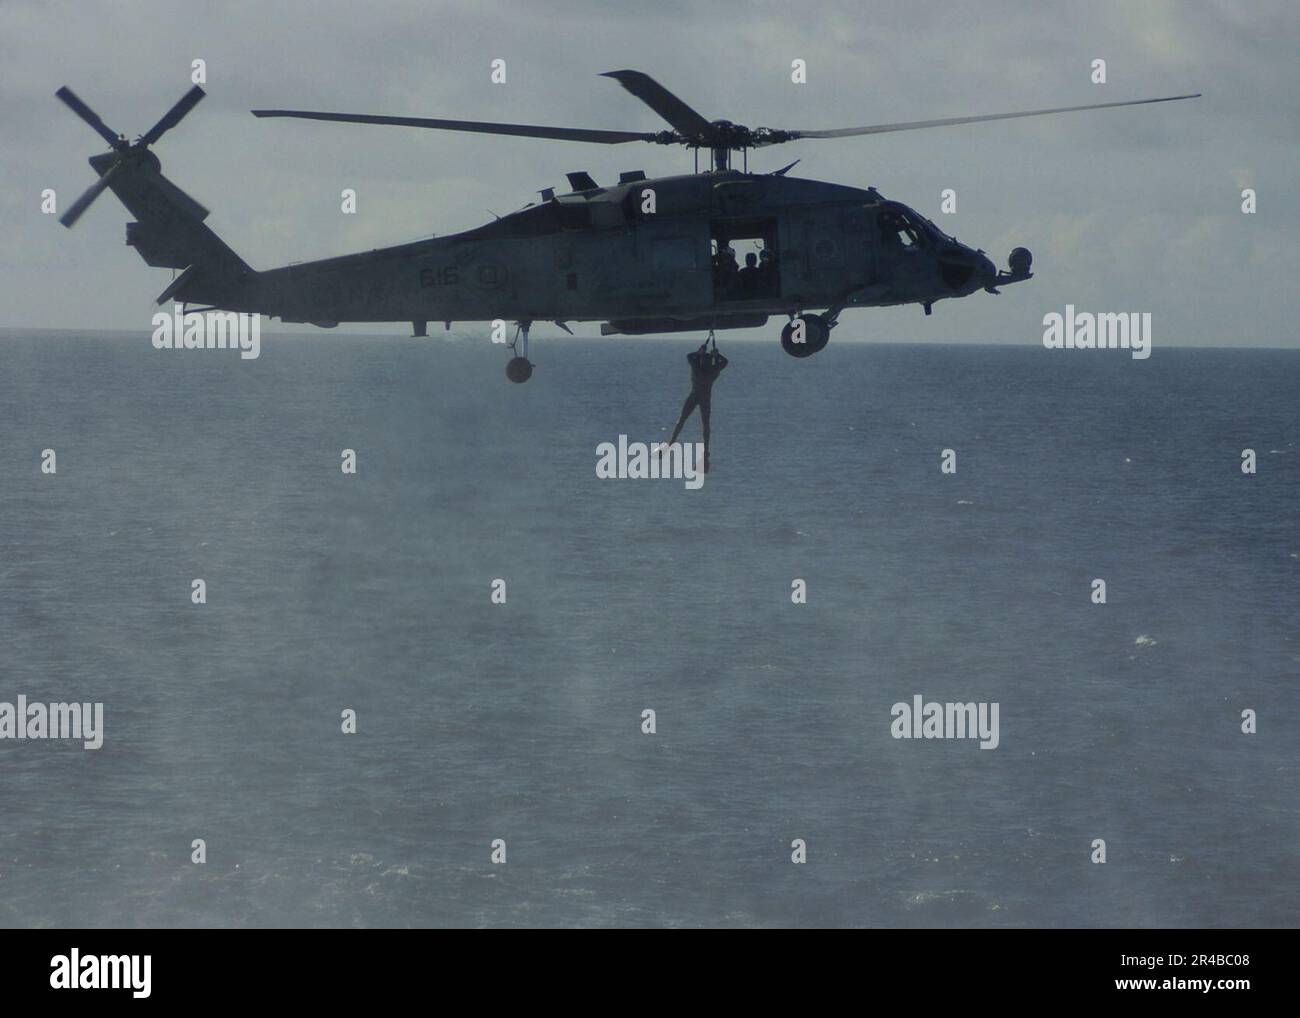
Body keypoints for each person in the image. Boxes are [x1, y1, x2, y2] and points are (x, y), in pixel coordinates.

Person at [665, 333, 728, 473]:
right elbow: (725, 362)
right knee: (704, 424)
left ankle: (672, 441)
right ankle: (704, 451)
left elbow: (689, 356)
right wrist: (717, 355)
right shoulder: (713, 371)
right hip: (704, 398)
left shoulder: (696, 367)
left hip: (694, 396)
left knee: (683, 420)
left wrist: (700, 352)